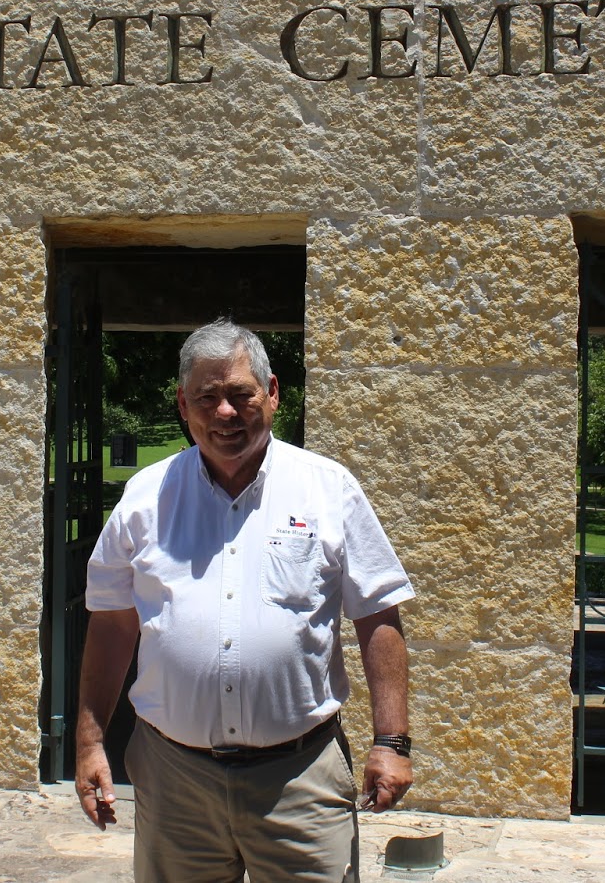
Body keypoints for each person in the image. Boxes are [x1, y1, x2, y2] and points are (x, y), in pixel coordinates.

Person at [75, 319, 415, 883]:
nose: (225, 413)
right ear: (183, 405)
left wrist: (392, 741)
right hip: (172, 782)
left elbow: (378, 613)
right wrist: (89, 742)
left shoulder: (329, 489)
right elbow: (112, 626)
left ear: (273, 393)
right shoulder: (143, 500)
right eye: (207, 398)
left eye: (240, 394)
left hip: (300, 777)